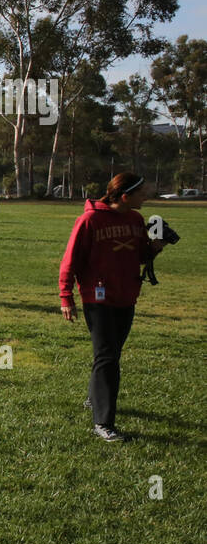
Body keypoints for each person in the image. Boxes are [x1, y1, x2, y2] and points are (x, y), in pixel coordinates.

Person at [59, 172, 164, 442]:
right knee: (107, 357)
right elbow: (70, 260)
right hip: (98, 298)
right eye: (141, 193)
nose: (145, 197)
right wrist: (66, 296)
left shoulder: (135, 219)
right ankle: (103, 422)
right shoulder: (90, 220)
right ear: (125, 196)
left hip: (126, 296)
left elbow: (139, 256)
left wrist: (156, 247)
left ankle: (95, 397)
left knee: (111, 353)